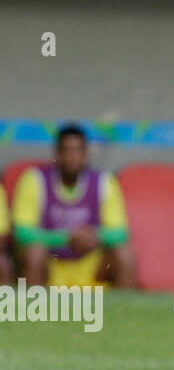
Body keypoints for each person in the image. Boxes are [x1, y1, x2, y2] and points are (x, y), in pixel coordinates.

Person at [11, 123, 134, 287]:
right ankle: (35, 309)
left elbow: (121, 233)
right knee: (34, 253)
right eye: (66, 151)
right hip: (50, 265)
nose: (72, 157)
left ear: (86, 153)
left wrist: (94, 236)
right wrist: (66, 238)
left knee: (124, 254)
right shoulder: (35, 180)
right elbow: (22, 233)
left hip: (91, 267)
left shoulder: (104, 182)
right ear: (57, 153)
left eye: (77, 151)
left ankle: (123, 310)